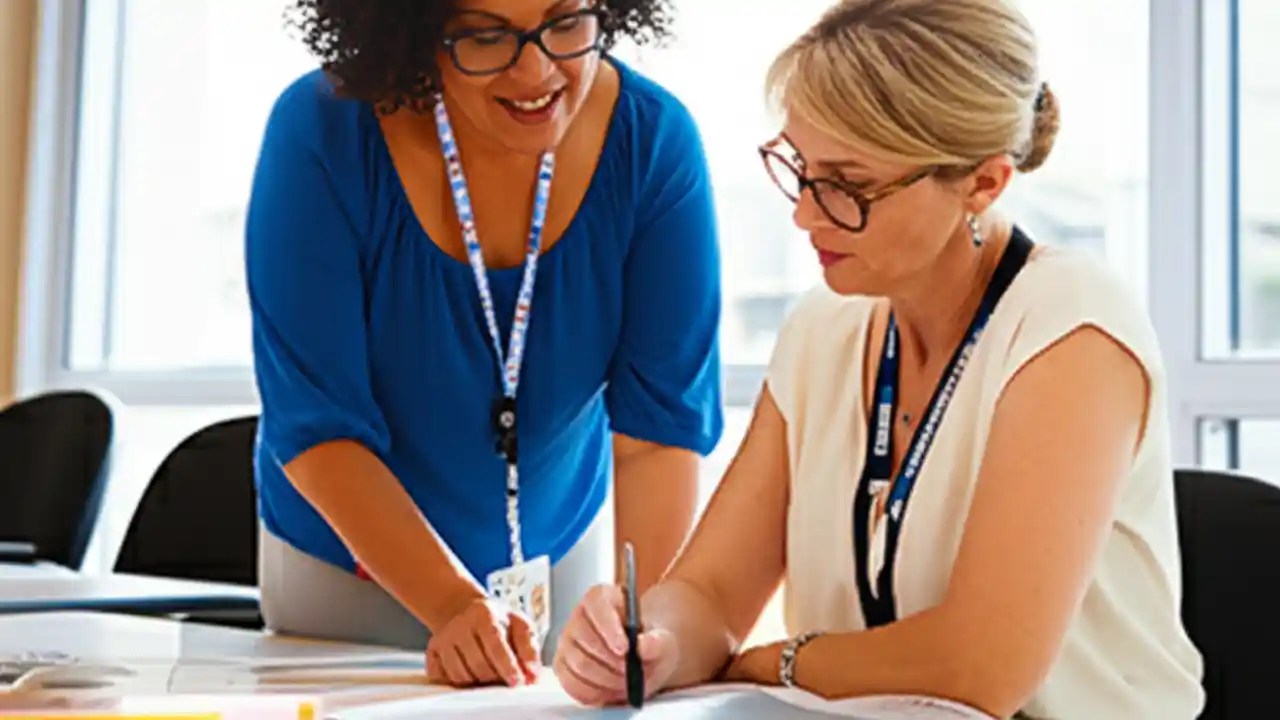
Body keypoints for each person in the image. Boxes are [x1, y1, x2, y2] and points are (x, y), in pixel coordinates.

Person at [553, 1, 1206, 718]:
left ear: (983, 183)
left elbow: (982, 667)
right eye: (799, 169)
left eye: (848, 185)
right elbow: (709, 594)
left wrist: (777, 662)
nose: (805, 213)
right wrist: (652, 645)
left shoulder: (1073, 326)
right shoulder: (824, 327)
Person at [244, 0, 724, 689]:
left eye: (565, 23)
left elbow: (658, 434)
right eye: (484, 36)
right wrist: (451, 602)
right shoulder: (321, 129)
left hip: (559, 562)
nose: (535, 69)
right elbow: (317, 428)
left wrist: (635, 620)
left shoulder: (653, 143)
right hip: (346, 576)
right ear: (415, 31)